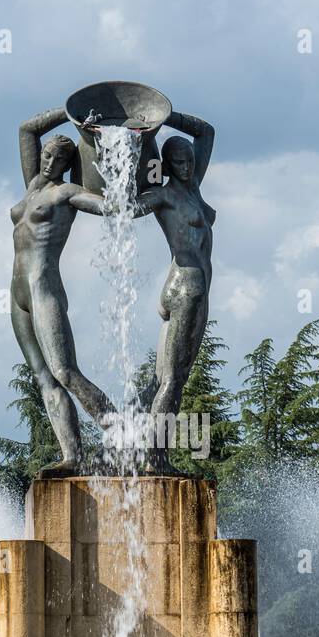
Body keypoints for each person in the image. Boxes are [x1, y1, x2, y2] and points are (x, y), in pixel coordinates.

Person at [10, 107, 113, 476]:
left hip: (44, 288)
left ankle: (120, 432)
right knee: (44, 377)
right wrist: (69, 114)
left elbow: (108, 208)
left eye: (59, 158)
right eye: (47, 155)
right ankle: (73, 457)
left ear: (68, 164)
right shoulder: (33, 186)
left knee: (65, 370)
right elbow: (27, 128)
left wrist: (102, 148)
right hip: (18, 294)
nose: (50, 161)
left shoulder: (67, 192)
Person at [137, 110, 215, 467]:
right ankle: (156, 457)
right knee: (172, 380)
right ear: (166, 165)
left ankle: (124, 444)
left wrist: (164, 116)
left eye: (188, 160)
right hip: (187, 288)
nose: (186, 166)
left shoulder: (193, 188)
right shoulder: (165, 195)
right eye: (178, 162)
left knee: (162, 379)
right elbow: (131, 207)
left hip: (190, 290)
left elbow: (206, 132)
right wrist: (145, 135)